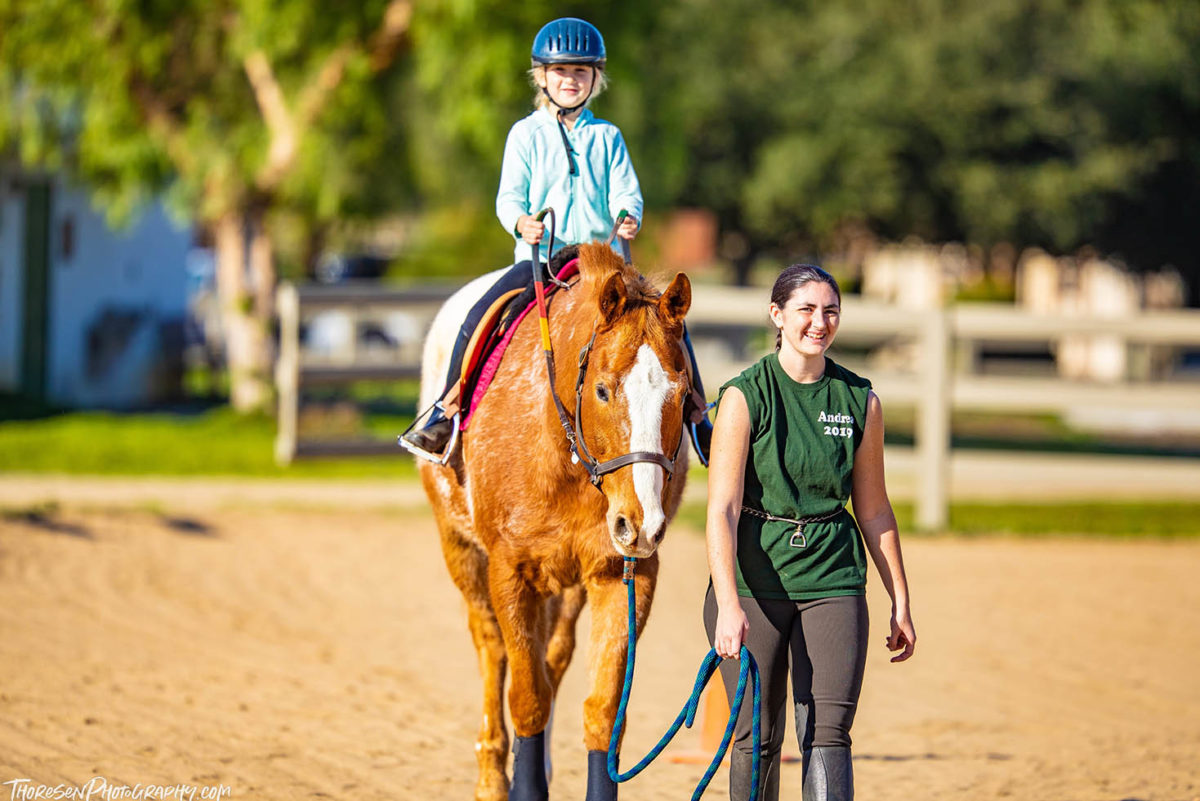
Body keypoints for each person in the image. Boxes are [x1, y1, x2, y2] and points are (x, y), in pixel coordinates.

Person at [402, 17, 712, 462]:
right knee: (479, 314)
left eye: (581, 72)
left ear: (595, 79)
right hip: (543, 261)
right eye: (561, 71)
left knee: (666, 328)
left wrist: (629, 215)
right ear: (542, 77)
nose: (571, 80)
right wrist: (520, 221)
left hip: (602, 264)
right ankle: (445, 409)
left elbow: (626, 191)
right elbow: (508, 196)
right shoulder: (524, 135)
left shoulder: (608, 137)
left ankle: (698, 418)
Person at [704, 264, 916, 801]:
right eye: (806, 309)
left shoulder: (860, 400)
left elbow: (874, 511)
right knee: (757, 737)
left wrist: (900, 600)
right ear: (777, 315)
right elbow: (722, 509)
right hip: (754, 584)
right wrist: (727, 604)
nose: (819, 322)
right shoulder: (743, 397)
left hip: (833, 580)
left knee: (828, 734)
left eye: (830, 311)